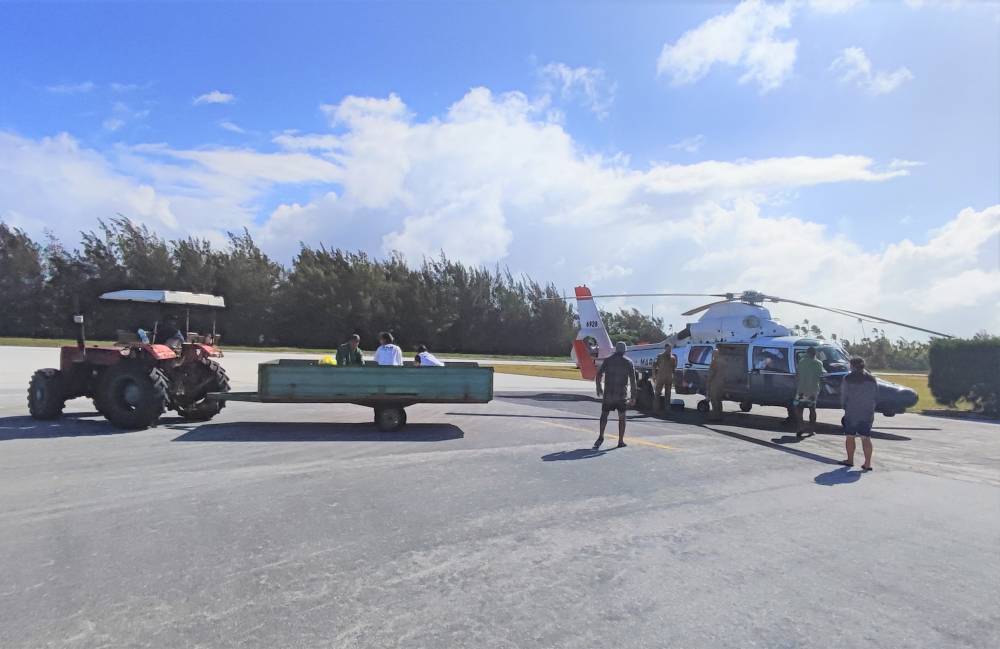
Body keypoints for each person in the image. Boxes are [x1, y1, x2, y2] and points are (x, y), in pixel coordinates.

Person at [594, 341, 637, 450]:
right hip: (621, 395)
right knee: (622, 417)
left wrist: (598, 387)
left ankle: (601, 436)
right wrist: (633, 396)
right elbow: (633, 381)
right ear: (624, 351)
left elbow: (599, 374)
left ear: (616, 350)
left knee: (604, 415)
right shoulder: (628, 362)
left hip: (609, 393)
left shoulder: (608, 360)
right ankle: (620, 440)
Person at [841, 356, 878, 471]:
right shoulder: (872, 379)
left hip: (852, 411)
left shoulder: (847, 378)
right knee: (866, 437)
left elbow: (844, 396)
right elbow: (875, 395)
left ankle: (850, 460)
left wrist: (844, 406)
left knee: (850, 436)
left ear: (852, 366)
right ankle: (867, 463)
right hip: (867, 412)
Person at [794, 347, 825, 438]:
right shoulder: (819, 363)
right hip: (813, 390)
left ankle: (801, 426)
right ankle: (811, 430)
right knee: (812, 409)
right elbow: (821, 375)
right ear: (815, 354)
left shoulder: (802, 361)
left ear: (807, 353)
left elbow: (797, 375)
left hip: (802, 390)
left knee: (799, 408)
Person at [653, 345, 676, 413]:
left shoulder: (673, 358)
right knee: (657, 393)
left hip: (668, 378)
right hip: (661, 377)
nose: (669, 350)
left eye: (670, 349)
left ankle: (667, 409)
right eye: (668, 348)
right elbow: (654, 365)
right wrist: (654, 375)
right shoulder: (659, 356)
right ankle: (656, 409)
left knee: (668, 394)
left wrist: (674, 378)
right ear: (665, 348)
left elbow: (674, 369)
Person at [706, 352, 725, 422]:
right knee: (719, 400)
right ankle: (720, 415)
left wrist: (708, 381)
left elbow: (711, 373)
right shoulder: (722, 362)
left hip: (714, 383)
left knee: (714, 400)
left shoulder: (714, 362)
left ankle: (715, 415)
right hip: (721, 383)